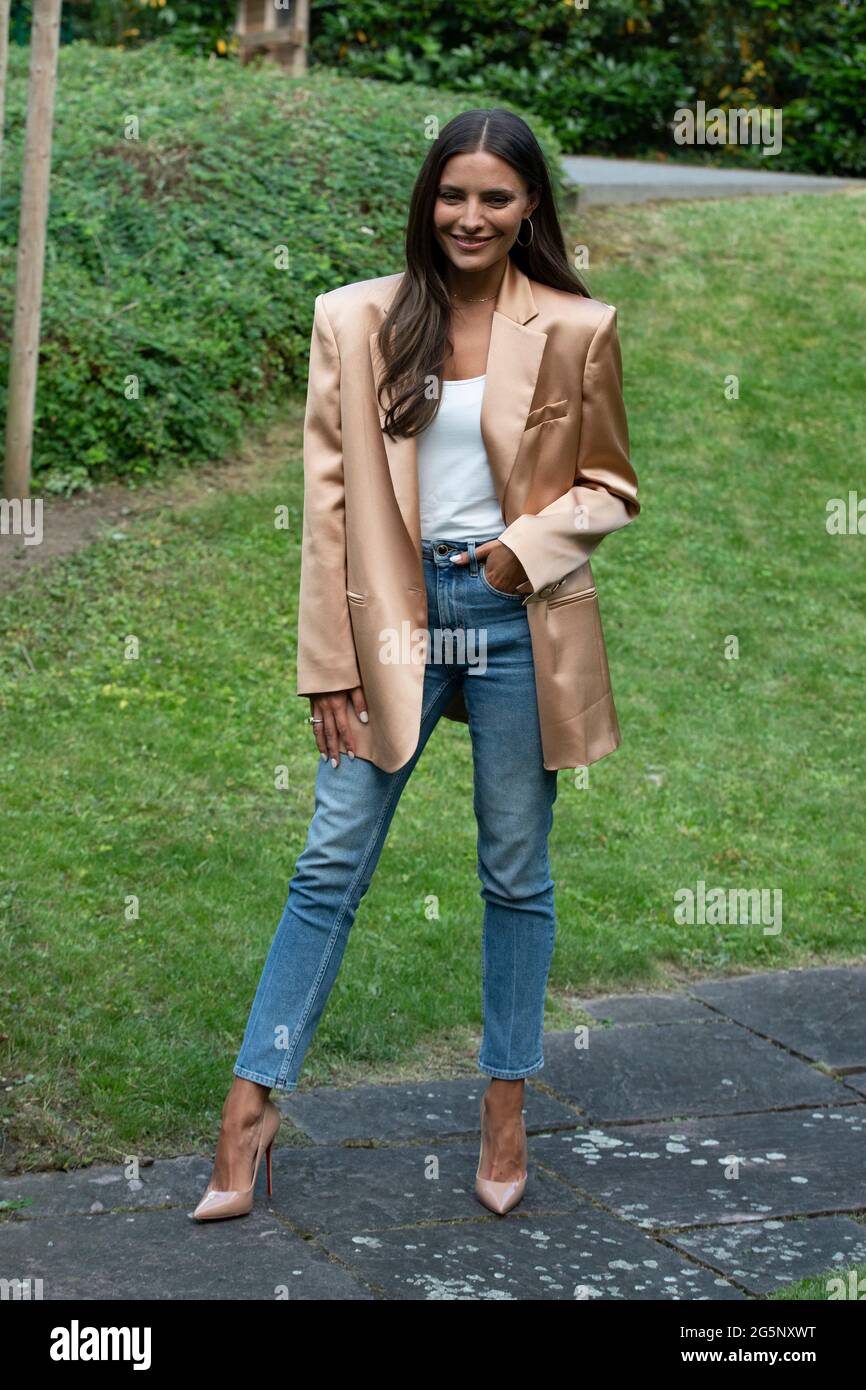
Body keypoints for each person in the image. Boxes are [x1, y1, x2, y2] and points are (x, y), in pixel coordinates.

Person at [193, 107, 640, 1223]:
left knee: (512, 870)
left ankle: (501, 1104)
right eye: (452, 195)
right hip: (386, 620)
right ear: (426, 200)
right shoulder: (354, 319)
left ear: (529, 204)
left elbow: (606, 487)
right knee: (327, 859)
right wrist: (326, 665)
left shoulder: (577, 328)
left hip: (509, 619)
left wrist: (512, 556)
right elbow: (326, 508)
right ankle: (249, 1106)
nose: (471, 217)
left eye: (495, 197)